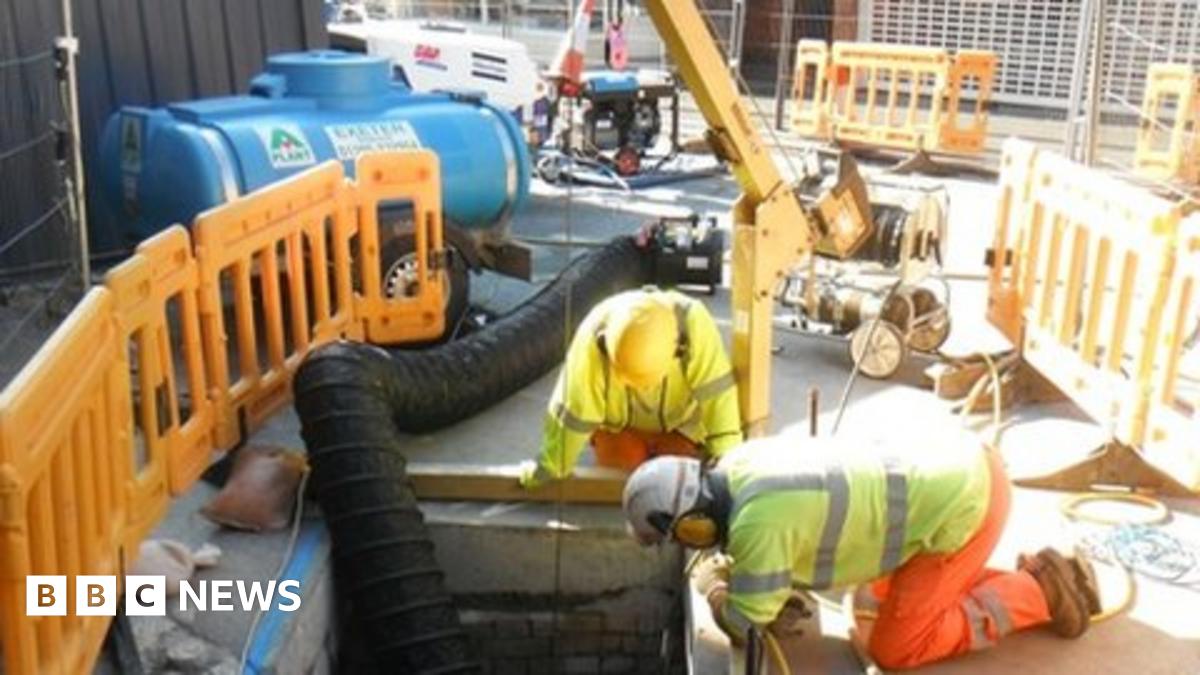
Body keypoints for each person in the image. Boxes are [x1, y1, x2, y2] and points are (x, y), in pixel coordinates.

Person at [621, 433, 1101, 670]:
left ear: (696, 518)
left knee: (895, 649)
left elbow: (745, 623)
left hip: (966, 509)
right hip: (960, 466)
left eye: (685, 535)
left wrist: (716, 591)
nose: (690, 546)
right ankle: (1034, 573)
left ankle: (1039, 591)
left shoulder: (757, 525)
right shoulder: (740, 464)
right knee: (869, 605)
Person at [519, 287, 743, 488]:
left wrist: (727, 464)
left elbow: (718, 395)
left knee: (674, 482)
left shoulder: (693, 323)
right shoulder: (593, 335)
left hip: (680, 427)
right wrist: (550, 466)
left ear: (678, 348)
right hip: (620, 430)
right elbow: (574, 412)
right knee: (625, 476)